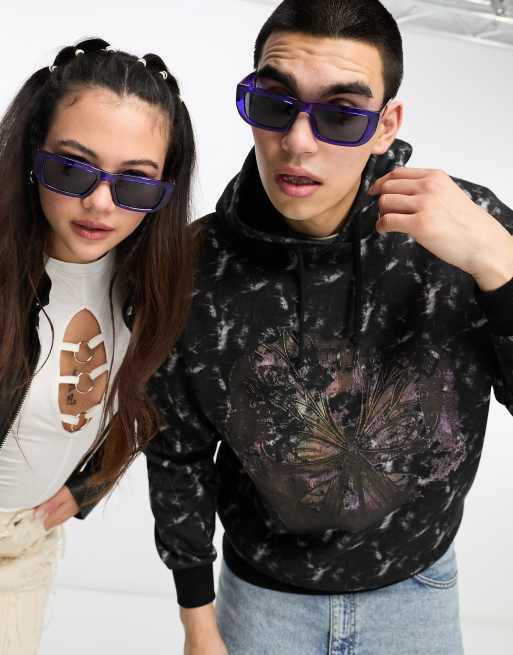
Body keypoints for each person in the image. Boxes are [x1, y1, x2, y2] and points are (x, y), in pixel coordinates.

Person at [145, 1, 513, 653]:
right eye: (274, 104)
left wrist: (498, 264)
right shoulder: (194, 266)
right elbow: (178, 451)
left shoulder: (468, 227)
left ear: (385, 124)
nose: (298, 142)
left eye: (341, 114)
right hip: (261, 604)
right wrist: (196, 619)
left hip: (419, 594)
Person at [0, 38, 195, 655]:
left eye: (136, 182)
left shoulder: (151, 283)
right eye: (71, 168)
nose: (100, 203)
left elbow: (150, 399)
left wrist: (87, 488)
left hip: (24, 550)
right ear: (31, 156)